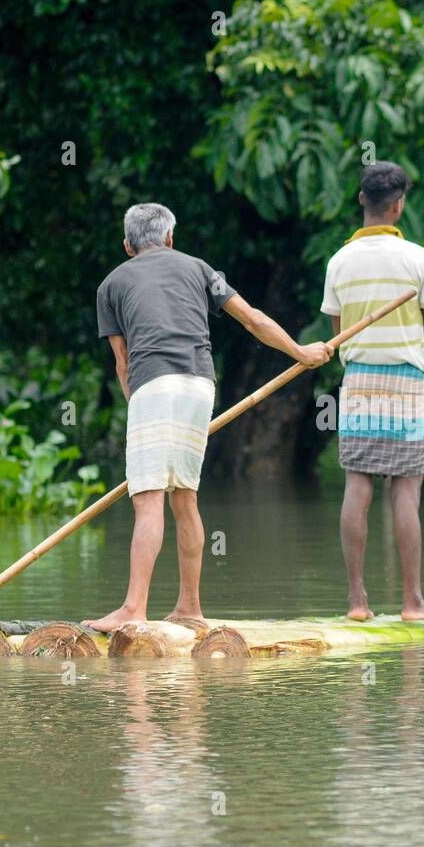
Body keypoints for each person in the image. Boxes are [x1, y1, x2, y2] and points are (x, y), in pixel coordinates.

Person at [85, 203, 331, 632]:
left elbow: (123, 364)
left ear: (127, 245)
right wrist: (302, 352)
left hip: (153, 386)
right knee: (184, 497)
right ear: (170, 238)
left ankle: (133, 609)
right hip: (200, 386)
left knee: (148, 501)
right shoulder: (200, 268)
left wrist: (139, 409)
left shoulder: (111, 284)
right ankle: (190, 608)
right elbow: (253, 320)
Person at [321, 162, 424, 622]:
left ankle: (357, 602)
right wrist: (416, 365)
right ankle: (413, 602)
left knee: (357, 487)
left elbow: (337, 334)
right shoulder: (418, 258)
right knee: (406, 492)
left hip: (357, 381)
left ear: (362, 200)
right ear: (398, 206)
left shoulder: (338, 261)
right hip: (406, 382)